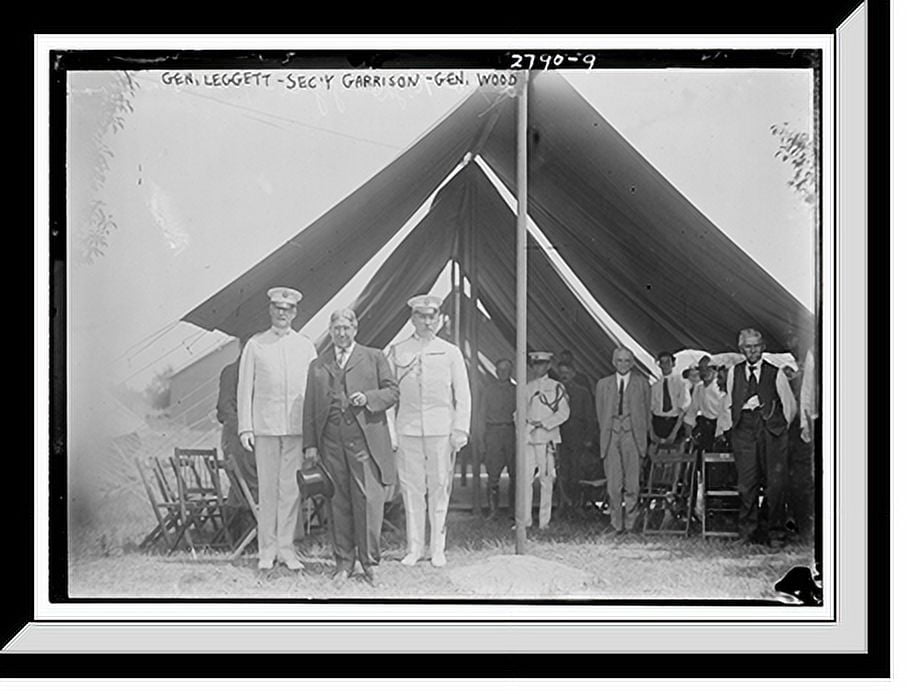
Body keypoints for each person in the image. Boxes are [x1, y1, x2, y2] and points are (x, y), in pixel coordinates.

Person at [302, 309, 398, 585]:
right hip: (331, 442)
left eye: (346, 328)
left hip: (364, 441)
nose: (342, 333)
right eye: (336, 329)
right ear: (330, 331)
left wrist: (367, 398)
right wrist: (310, 445)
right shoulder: (318, 365)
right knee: (338, 501)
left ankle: (370, 563)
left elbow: (393, 391)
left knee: (368, 499)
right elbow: (310, 407)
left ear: (355, 329)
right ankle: (344, 562)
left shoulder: (374, 357)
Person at [237, 287, 317, 570]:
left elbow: (312, 391)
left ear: (295, 313)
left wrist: (311, 432)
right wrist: (245, 427)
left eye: (288, 309)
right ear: (270, 310)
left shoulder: (305, 346)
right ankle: (266, 551)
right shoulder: (256, 345)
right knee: (268, 490)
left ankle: (286, 549)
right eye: (277, 308)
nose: (283, 314)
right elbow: (245, 387)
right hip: (266, 427)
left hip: (295, 428)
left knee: (290, 490)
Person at [389, 295, 471, 568]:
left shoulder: (450, 352)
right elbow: (389, 396)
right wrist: (391, 431)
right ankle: (414, 548)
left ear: (439, 319)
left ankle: (438, 548)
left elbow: (463, 393)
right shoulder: (398, 350)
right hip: (408, 428)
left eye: (431, 316)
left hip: (440, 428)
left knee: (439, 488)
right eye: (421, 316)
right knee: (411, 490)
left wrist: (460, 428)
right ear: (413, 319)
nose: (427, 321)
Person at [723, 328, 796, 545]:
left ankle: (776, 533)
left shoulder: (776, 372)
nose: (752, 350)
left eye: (756, 346)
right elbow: (730, 402)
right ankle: (748, 532)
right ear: (741, 349)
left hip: (770, 430)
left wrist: (776, 427)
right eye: (748, 346)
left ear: (762, 347)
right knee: (746, 483)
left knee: (775, 483)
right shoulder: (733, 372)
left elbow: (790, 407)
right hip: (744, 430)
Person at [595, 347, 651, 535]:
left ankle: (630, 524)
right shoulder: (603, 384)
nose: (623, 364)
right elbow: (600, 412)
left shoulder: (642, 384)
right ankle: (615, 524)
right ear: (613, 362)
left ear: (633, 363)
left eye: (627, 360)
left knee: (632, 484)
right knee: (613, 484)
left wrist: (642, 437)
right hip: (611, 436)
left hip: (632, 436)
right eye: (619, 360)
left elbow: (646, 413)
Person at [518, 352, 570, 531]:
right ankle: (525, 521)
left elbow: (563, 413)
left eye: (542, 364)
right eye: (535, 364)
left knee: (546, 481)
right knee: (525, 480)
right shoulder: (526, 387)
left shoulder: (557, 387)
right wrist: (523, 427)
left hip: (547, 438)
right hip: (529, 438)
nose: (537, 368)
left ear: (548, 366)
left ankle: (544, 522)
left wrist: (545, 424)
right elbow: (518, 412)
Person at [216, 337, 258, 534]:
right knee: (245, 485)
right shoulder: (232, 371)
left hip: (253, 438)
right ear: (243, 347)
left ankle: (244, 535)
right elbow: (225, 409)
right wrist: (246, 427)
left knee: (246, 488)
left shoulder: (258, 372)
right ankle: (244, 534)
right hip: (237, 438)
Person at [475, 358, 516, 520]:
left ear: (511, 372)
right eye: (500, 370)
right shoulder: (488, 390)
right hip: (493, 433)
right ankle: (493, 511)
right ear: (496, 372)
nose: (503, 373)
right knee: (493, 474)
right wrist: (480, 439)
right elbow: (481, 416)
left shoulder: (517, 391)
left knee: (515, 473)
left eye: (506, 369)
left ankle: (514, 511)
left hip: (512, 433)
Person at [556, 360, 597, 514]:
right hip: (559, 435)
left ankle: (577, 504)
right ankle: (562, 504)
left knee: (577, 471)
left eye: (567, 372)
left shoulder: (582, 392)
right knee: (562, 471)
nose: (564, 375)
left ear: (573, 374)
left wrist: (588, 438)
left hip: (577, 435)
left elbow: (590, 416)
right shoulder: (555, 391)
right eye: (561, 372)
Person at [683, 360, 731, 453]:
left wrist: (721, 431)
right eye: (702, 370)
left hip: (722, 426)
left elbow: (725, 412)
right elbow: (692, 410)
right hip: (705, 427)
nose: (704, 372)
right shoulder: (699, 387)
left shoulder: (720, 387)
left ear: (714, 371)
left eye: (707, 369)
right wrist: (688, 427)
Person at [650, 351, 691, 449]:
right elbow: (650, 411)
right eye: (662, 362)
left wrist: (673, 433)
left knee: (674, 458)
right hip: (658, 423)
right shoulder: (655, 386)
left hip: (674, 423)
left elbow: (682, 411)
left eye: (667, 362)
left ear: (673, 363)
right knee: (657, 458)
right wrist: (652, 433)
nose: (665, 365)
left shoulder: (681, 384)